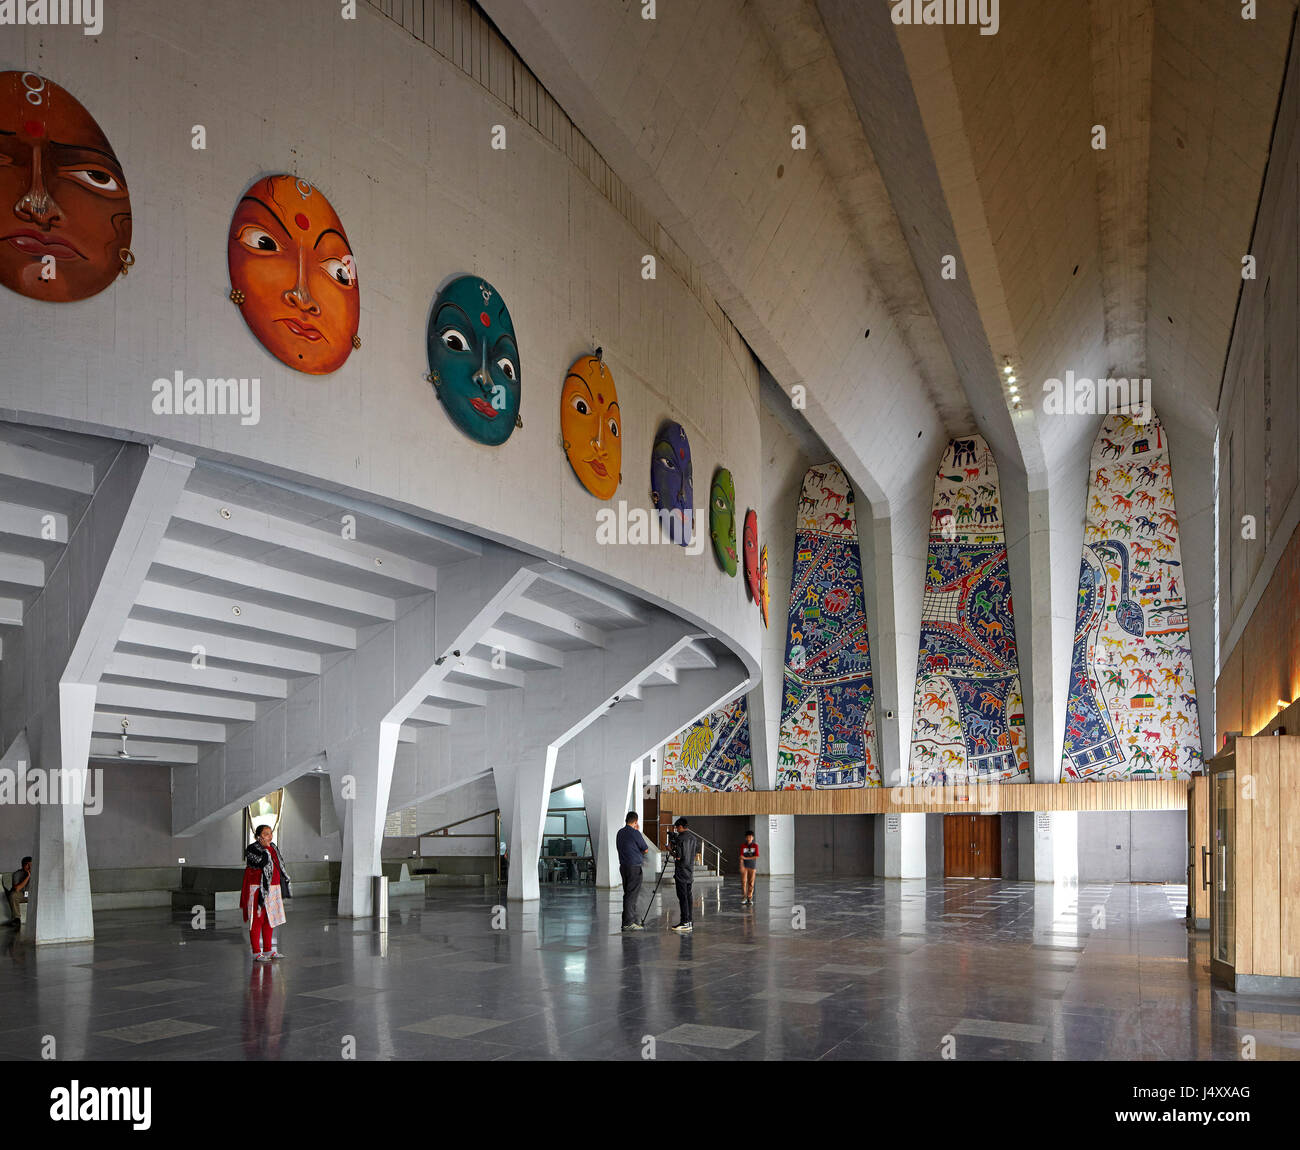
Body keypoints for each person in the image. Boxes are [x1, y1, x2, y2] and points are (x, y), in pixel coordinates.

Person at [240, 825, 291, 962]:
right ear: (259, 836)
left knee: (270, 920)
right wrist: (265, 849)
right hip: (258, 888)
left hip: (273, 888)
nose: (270, 836)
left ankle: (268, 950)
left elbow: (280, 864)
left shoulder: (273, 846)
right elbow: (262, 862)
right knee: (257, 920)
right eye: (266, 833)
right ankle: (257, 952)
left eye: (271, 833)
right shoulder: (252, 849)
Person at [616, 810, 650, 931]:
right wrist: (637, 831)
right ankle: (628, 922)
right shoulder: (635, 833)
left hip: (623, 866)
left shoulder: (620, 833)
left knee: (628, 893)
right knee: (632, 894)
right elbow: (645, 849)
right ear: (635, 822)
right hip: (634, 867)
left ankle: (628, 919)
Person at [668, 817, 699, 933]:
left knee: (682, 897)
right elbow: (694, 853)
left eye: (677, 827)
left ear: (680, 827)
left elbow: (678, 856)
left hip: (681, 872)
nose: (676, 829)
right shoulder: (693, 838)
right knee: (688, 896)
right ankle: (689, 920)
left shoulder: (680, 838)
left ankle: (684, 922)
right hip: (689, 871)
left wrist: (670, 849)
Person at [6, 857, 32, 926]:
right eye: (27, 865)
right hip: (22, 895)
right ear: (23, 865)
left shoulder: (37, 874)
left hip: (32, 895)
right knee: (13, 895)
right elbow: (17, 889)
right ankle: (16, 918)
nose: (29, 867)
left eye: (31, 865)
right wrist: (28, 876)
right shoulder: (17, 874)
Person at [739, 830, 759, 905]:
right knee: (744, 882)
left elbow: (756, 856)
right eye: (748, 837)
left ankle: (749, 897)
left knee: (751, 883)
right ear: (746, 838)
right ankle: (744, 897)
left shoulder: (755, 846)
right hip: (744, 866)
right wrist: (741, 865)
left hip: (752, 866)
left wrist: (746, 858)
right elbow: (741, 856)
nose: (749, 838)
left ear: (753, 838)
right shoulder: (743, 846)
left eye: (750, 837)